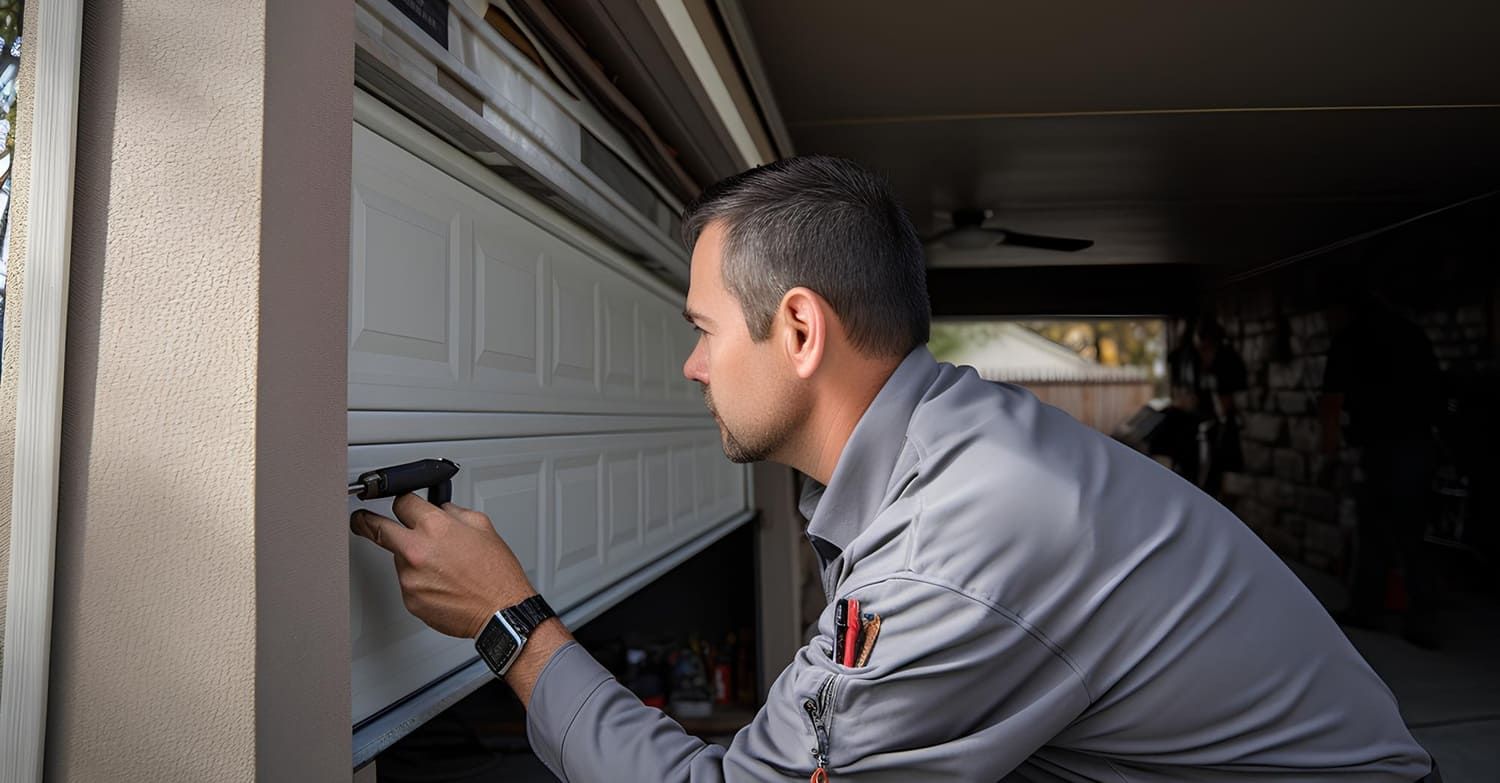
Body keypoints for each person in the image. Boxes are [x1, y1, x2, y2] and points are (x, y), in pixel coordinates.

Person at [351, 156, 1434, 781]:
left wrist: (511, 625)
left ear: (801, 330)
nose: (692, 365)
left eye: (704, 329)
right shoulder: (956, 439)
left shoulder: (955, 540)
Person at [1320, 285, 1444, 649]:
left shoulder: (1348, 341)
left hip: (1377, 446)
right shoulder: (1411, 333)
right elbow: (1438, 391)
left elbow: (1331, 403)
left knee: (1372, 531)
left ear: (1342, 310)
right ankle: (1420, 618)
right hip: (1417, 444)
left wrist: (1329, 455)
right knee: (1411, 533)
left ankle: (1368, 608)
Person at [1164, 317, 1247, 497]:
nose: (1202, 354)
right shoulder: (1195, 362)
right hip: (1202, 431)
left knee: (1215, 484)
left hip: (1220, 431)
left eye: (1205, 348)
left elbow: (1225, 405)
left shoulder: (1226, 363)